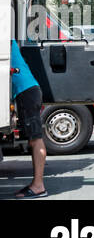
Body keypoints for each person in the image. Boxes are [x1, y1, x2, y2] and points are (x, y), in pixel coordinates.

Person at [7, 39, 48, 198]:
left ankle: (39, 186)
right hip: (29, 91)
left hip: (27, 92)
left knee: (36, 139)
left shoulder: (5, 41)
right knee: (33, 139)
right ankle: (37, 184)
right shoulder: (9, 41)